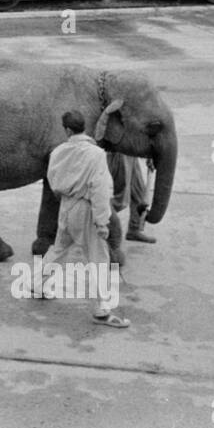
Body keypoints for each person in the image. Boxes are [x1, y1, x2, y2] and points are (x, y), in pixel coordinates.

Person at [36, 109, 129, 328]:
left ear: (67, 129)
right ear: (83, 127)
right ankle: (101, 311)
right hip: (87, 208)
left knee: (59, 248)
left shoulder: (58, 152)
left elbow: (53, 181)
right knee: (98, 258)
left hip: (66, 206)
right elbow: (100, 189)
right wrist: (102, 221)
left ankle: (36, 284)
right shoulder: (96, 154)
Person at [109, 154, 158, 243]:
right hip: (120, 150)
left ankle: (134, 229)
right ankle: (92, 219)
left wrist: (149, 154)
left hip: (131, 154)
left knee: (139, 192)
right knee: (121, 200)